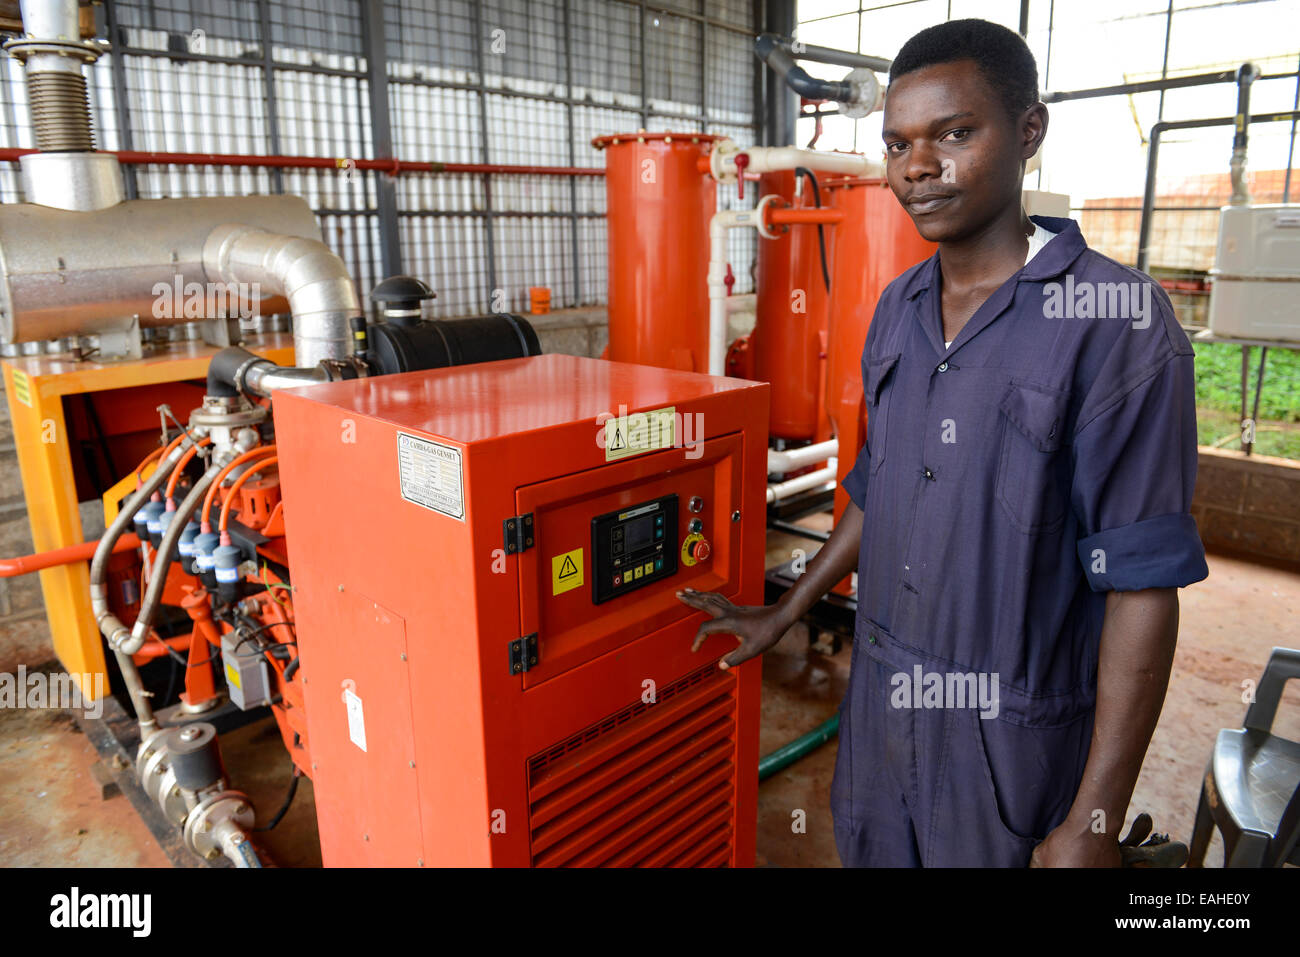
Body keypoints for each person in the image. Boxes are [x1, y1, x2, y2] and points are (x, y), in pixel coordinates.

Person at [677, 17, 1208, 867]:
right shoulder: (897, 309)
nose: (918, 166)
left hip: (1013, 743)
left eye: (954, 133)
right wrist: (785, 610)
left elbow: (1142, 585)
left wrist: (1095, 819)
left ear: (1029, 131)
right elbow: (873, 492)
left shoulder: (1116, 324)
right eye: (896, 143)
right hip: (882, 719)